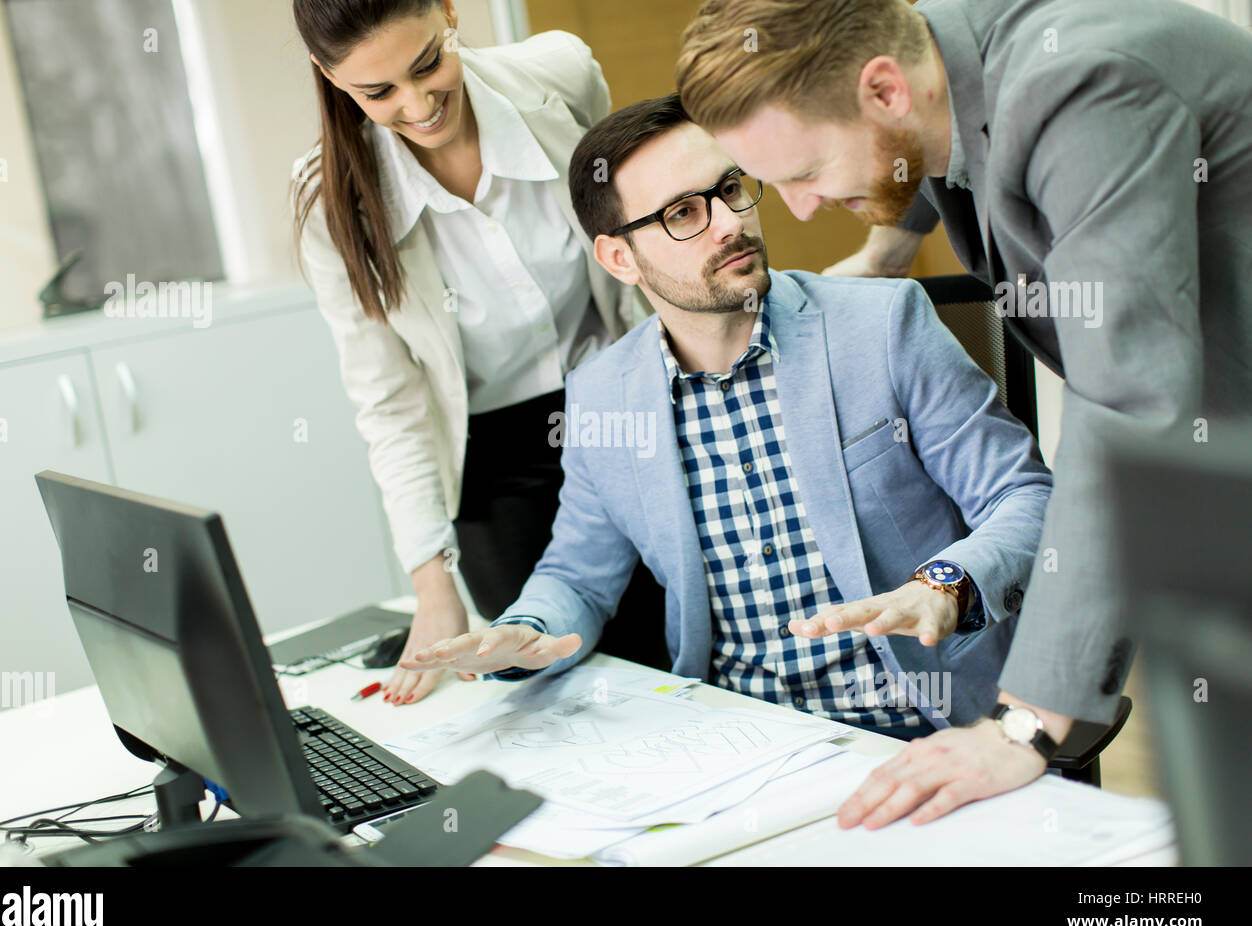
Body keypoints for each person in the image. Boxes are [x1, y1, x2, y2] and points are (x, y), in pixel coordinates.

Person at [674, 0, 1252, 826]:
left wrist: (1025, 724)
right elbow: (936, 134)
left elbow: (1122, 401)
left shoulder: (1082, 88)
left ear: (883, 91)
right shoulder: (935, 51)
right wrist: (890, 241)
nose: (798, 210)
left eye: (805, 174)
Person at [400, 94, 1053, 739]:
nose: (727, 223)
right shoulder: (603, 395)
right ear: (619, 259)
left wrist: (945, 584)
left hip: (916, 723)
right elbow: (578, 576)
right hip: (731, 738)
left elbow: (1023, 496)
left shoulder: (882, 325)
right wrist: (528, 632)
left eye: (730, 189)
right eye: (683, 212)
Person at [290, 0, 658, 705]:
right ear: (329, 76)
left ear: (449, 11)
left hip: (616, 407)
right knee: (554, 677)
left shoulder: (562, 77)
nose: (419, 103)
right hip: (494, 460)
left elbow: (632, 252)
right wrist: (434, 586)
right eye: (379, 92)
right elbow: (389, 402)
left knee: (675, 644)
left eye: (428, 63)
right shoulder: (329, 203)